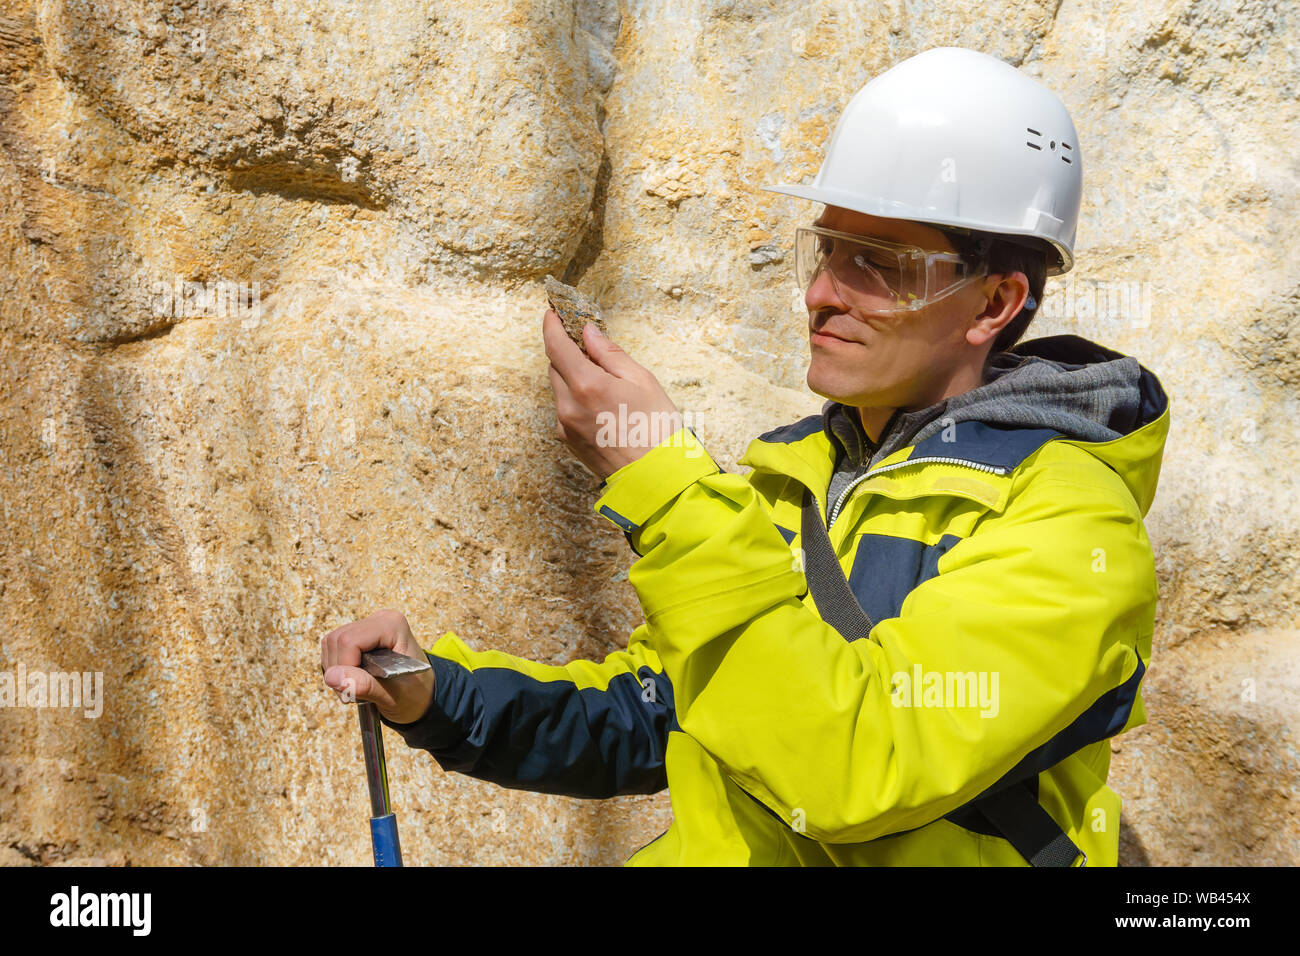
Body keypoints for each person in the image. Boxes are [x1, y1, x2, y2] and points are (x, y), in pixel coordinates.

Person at [319, 46, 1170, 866]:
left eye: (877, 263)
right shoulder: (800, 475)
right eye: (828, 249)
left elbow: (856, 764)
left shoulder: (1070, 520)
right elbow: (665, 710)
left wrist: (659, 480)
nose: (821, 292)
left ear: (995, 301)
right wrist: (440, 694)